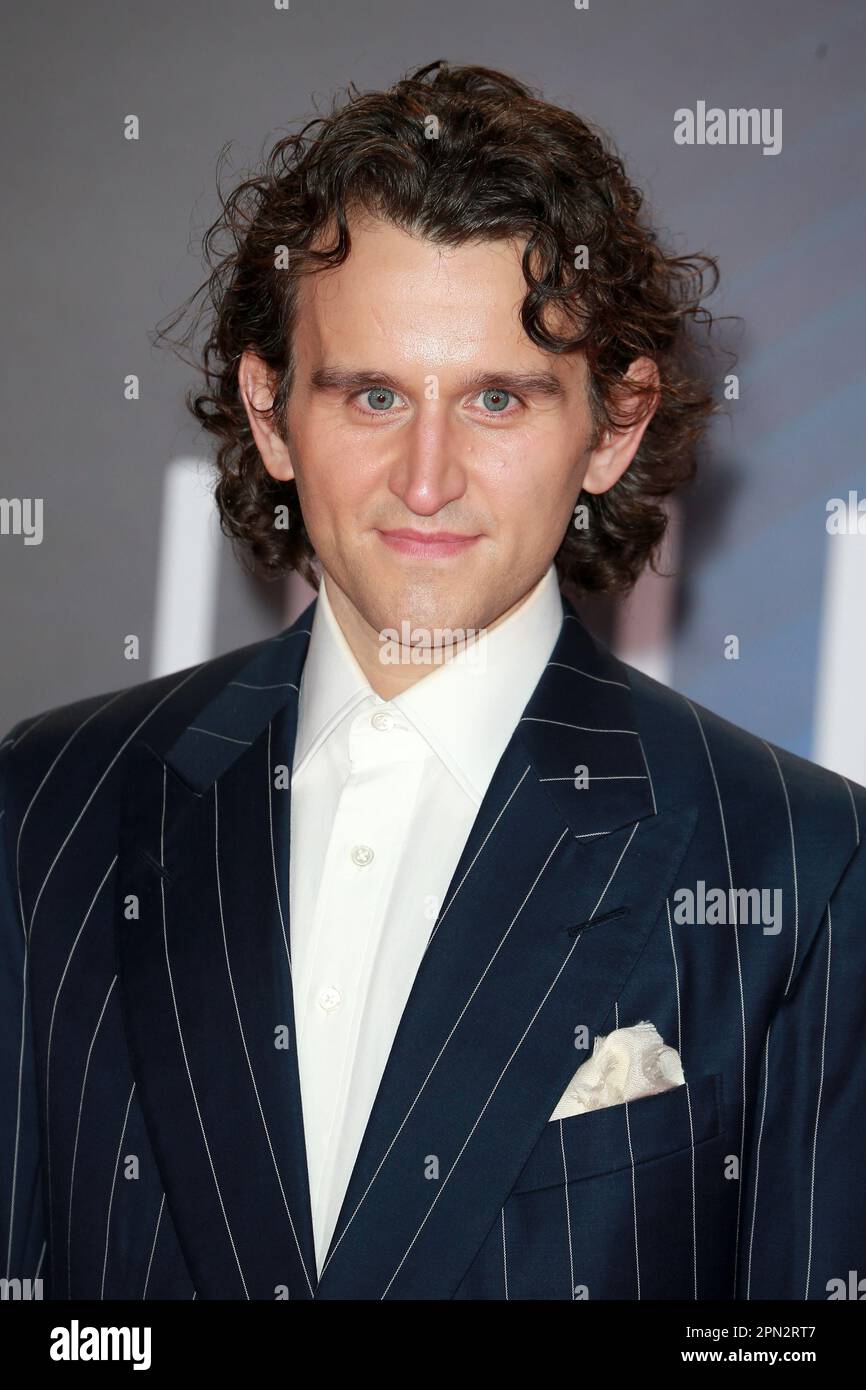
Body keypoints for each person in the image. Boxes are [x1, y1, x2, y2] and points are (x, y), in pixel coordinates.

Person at [2, 59, 863, 1301]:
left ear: (610, 428)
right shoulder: (51, 809)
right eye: (372, 394)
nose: (424, 477)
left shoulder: (792, 862)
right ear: (269, 412)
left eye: (497, 399)